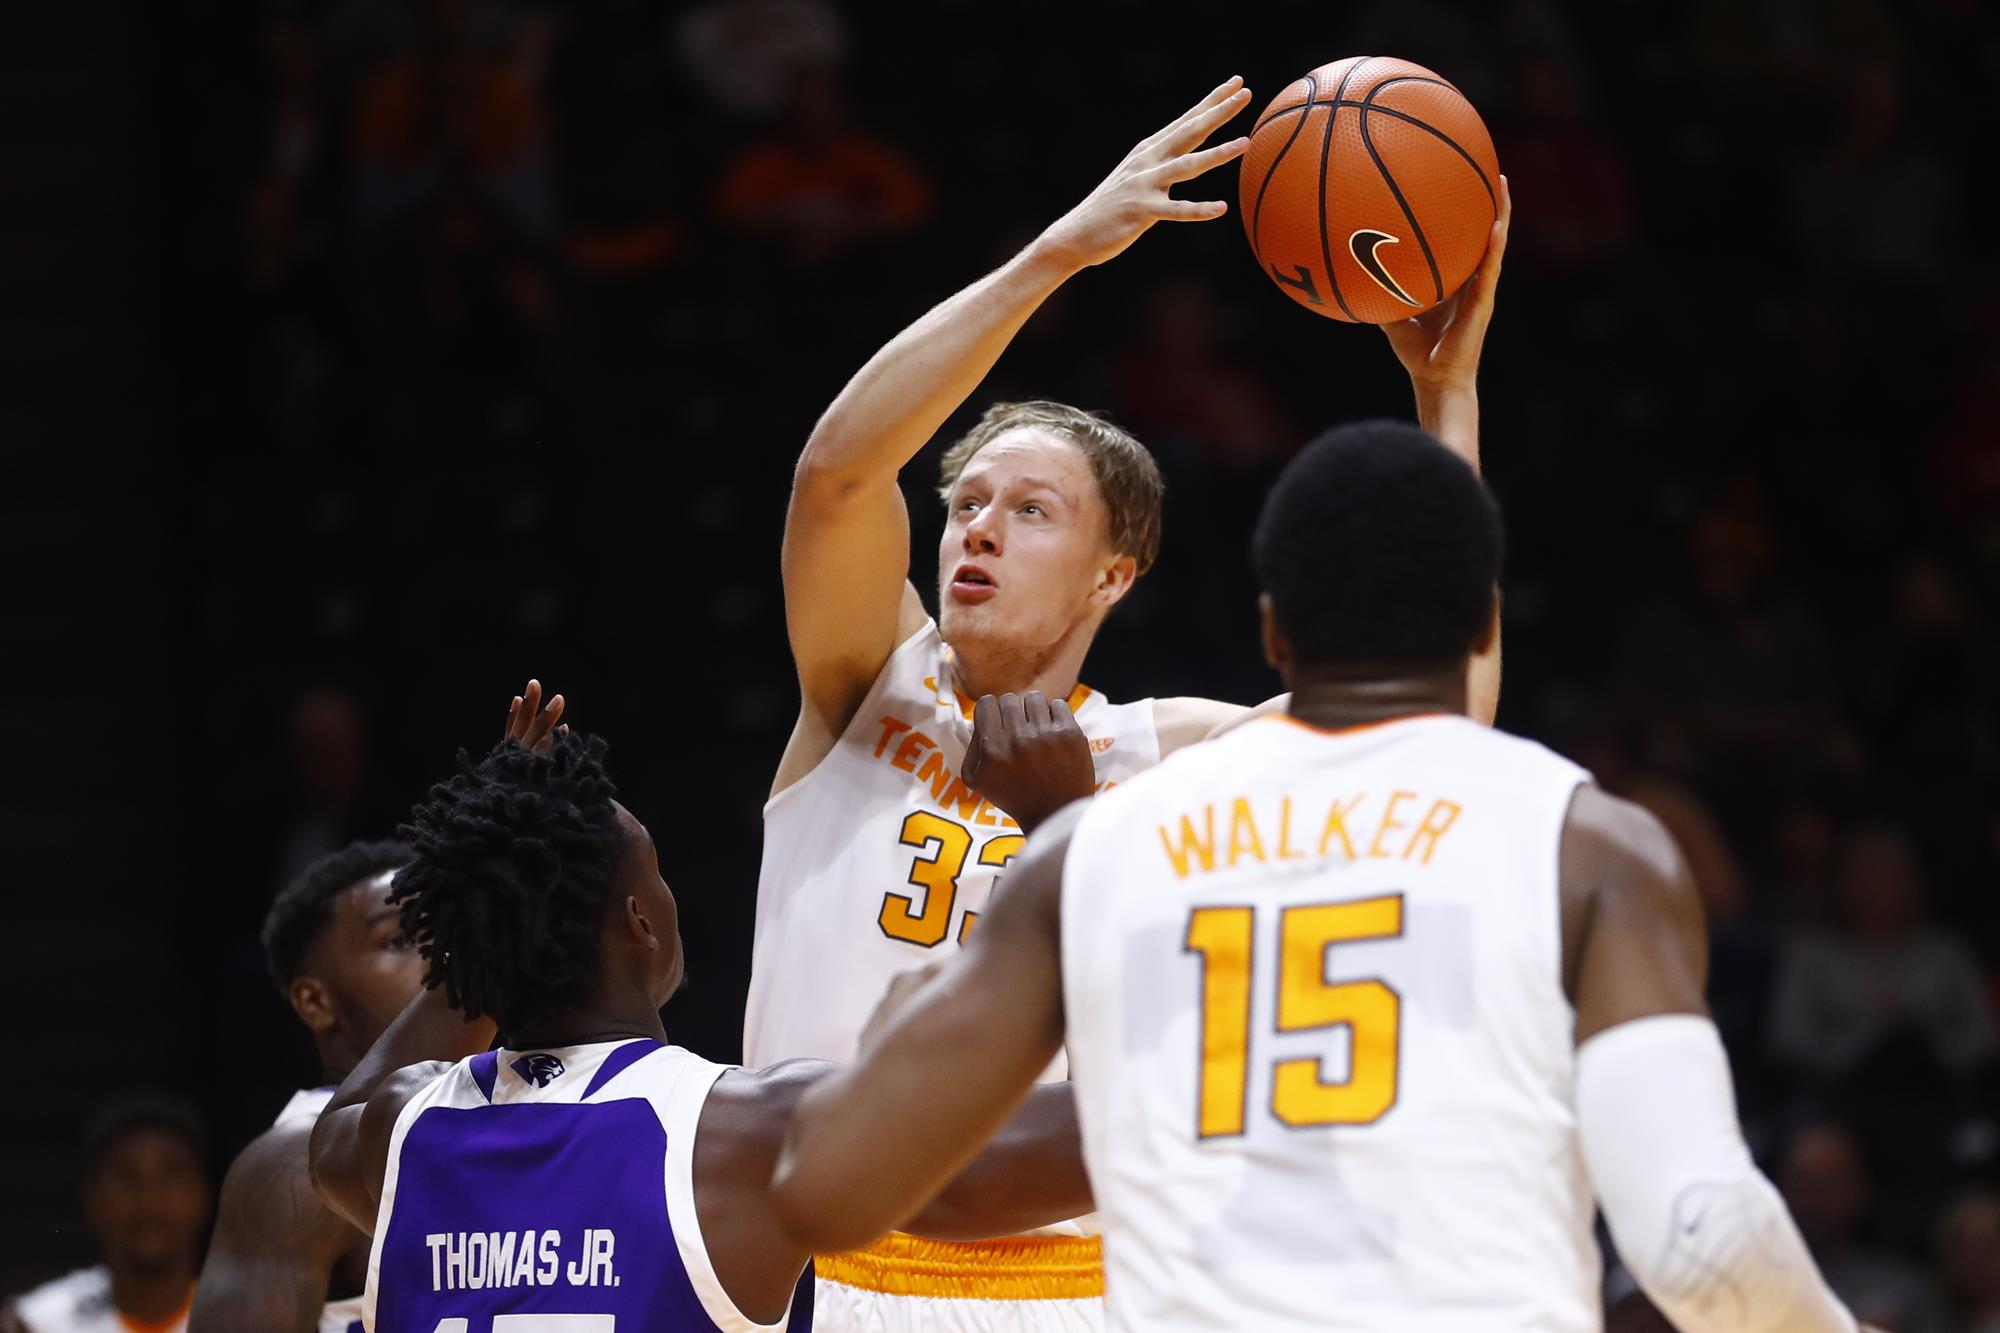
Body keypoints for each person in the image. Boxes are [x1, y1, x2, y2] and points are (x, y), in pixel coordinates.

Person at [772, 421, 1873, 1333]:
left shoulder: (1124, 846)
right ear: (1480, 623)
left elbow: (838, 1180)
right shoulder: (1589, 844)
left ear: (1273, 635)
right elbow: (1701, 1236)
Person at [752, 72, 1508, 1324]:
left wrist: (1445, 398)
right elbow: (836, 473)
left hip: (1077, 1285)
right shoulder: (865, 686)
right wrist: (1054, 254)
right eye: (967, 503)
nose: (978, 528)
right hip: (822, 1269)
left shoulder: (1164, 756)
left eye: (1029, 510)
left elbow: (1434, 726)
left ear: (1113, 571)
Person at [309, 727, 1092, 1332]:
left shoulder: (397, 1132)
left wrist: (492, 905)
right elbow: (1101, 1131)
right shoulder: (743, 1133)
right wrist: (1067, 829)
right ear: (641, 922)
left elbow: (329, 1133)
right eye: (656, 870)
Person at [189, 683, 560, 1333]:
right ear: (315, 999)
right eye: (398, 940)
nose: (436, 953)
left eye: (441, 932)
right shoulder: (291, 1165)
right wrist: (498, 889)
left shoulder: (529, 1107)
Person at [3, 1096, 212, 1333]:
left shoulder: (236, 1318)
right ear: (93, 1198)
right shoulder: (35, 1323)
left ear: (204, 1193)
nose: (149, 1199)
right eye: (126, 1176)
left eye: (171, 1176)